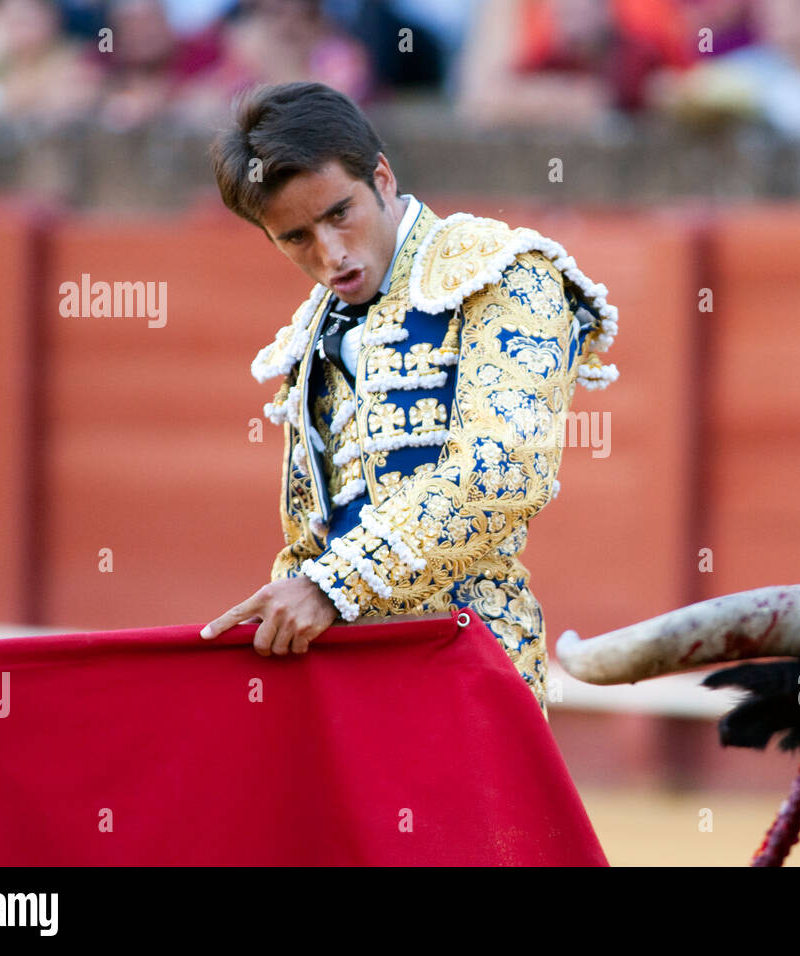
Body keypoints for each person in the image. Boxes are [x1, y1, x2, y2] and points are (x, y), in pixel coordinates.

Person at [199, 82, 619, 714]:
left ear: (384, 178)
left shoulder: (503, 270)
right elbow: (315, 531)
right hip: (341, 677)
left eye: (340, 212)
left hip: (465, 660)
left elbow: (504, 470)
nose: (331, 254)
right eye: (296, 238)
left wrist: (329, 586)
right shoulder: (316, 331)